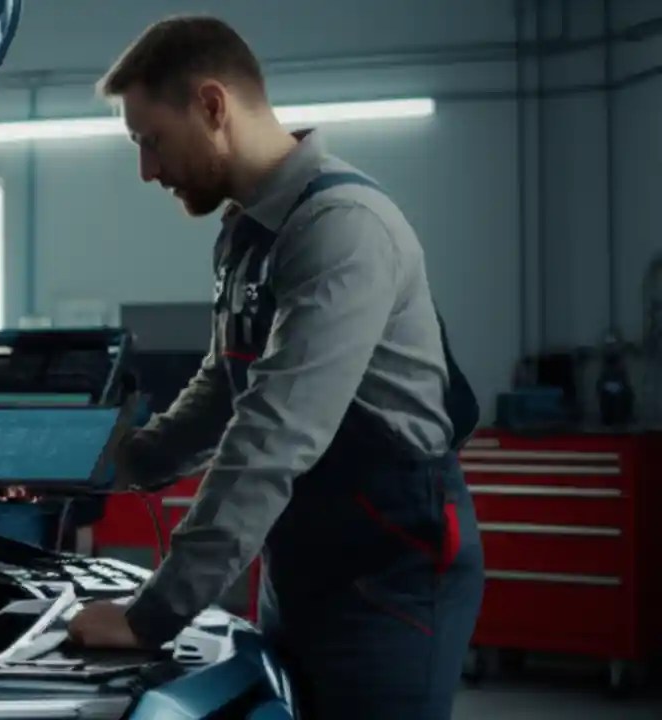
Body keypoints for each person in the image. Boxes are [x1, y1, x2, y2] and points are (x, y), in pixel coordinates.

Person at [64, 15, 485, 720]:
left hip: (389, 577)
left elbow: (273, 435)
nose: (148, 170)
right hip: (301, 569)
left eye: (151, 140)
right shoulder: (248, 232)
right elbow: (226, 387)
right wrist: (124, 459)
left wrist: (153, 614)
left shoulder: (342, 226)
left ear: (212, 106)